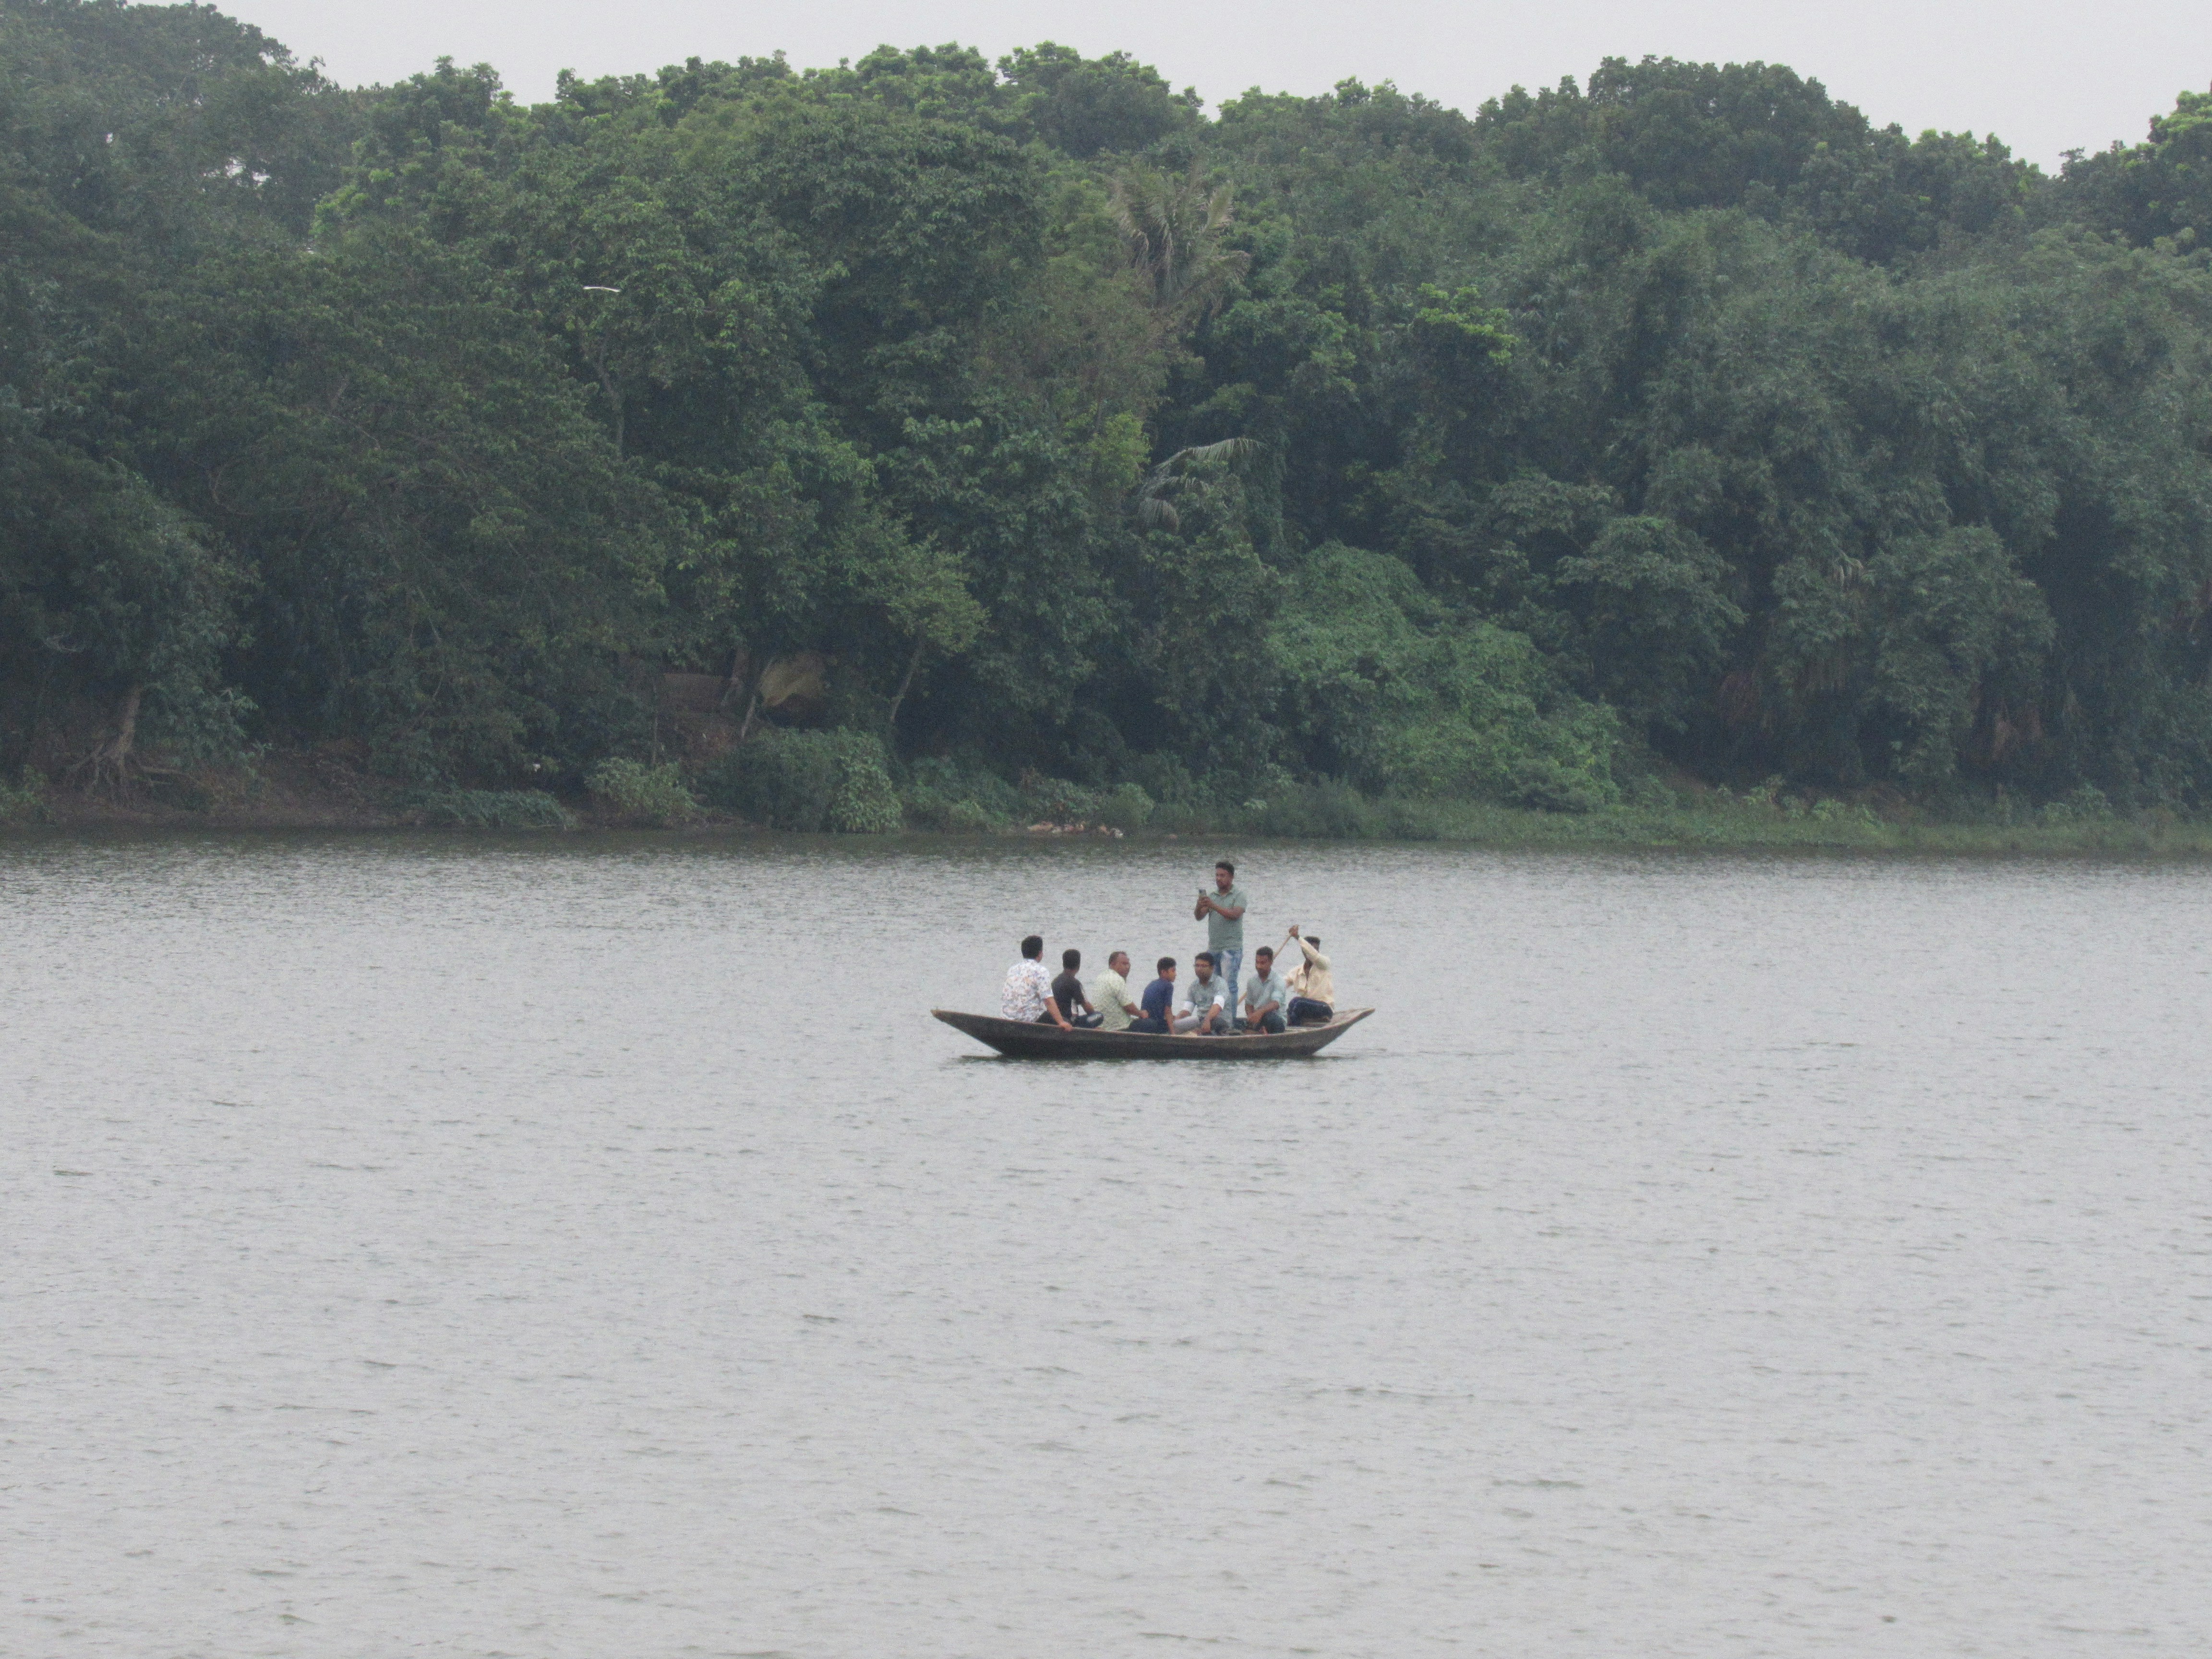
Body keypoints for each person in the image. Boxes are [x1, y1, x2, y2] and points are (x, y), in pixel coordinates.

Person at [1192, 858, 1249, 1009]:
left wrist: (1214, 906)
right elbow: (1199, 916)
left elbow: (1234, 914)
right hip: (1214, 948)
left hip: (1231, 949)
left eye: (1222, 876)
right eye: (1217, 875)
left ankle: (1231, 1021)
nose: (1219, 879)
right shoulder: (1212, 896)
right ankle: (1216, 1019)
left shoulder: (1239, 895)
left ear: (1231, 877)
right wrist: (1200, 905)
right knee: (1214, 986)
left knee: (1229, 985)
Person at [1003, 934, 1071, 1030]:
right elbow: (1048, 1000)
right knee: (1067, 1022)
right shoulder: (1040, 971)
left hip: (1008, 1018)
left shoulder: (1012, 970)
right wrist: (1061, 1022)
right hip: (1030, 1020)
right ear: (1040, 953)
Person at [1283, 924, 1334, 1025]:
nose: (1313, 952)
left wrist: (1298, 937)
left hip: (1325, 1008)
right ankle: (1287, 1028)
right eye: (1311, 949)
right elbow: (1281, 984)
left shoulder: (1324, 964)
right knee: (1293, 1004)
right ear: (1304, 951)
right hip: (1307, 1009)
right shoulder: (1297, 971)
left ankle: (1295, 1031)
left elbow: (1314, 956)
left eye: (1316, 949)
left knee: (1298, 1003)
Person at [1238, 945, 1290, 1034]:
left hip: (1276, 1020)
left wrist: (1260, 1012)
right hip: (1259, 1020)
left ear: (1271, 962)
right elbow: (1249, 1004)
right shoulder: (1252, 981)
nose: (1259, 966)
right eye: (1257, 963)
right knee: (1234, 1023)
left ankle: (1259, 1032)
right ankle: (1257, 1032)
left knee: (1269, 1017)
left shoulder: (1278, 981)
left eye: (1263, 963)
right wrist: (1251, 1017)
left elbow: (1276, 1003)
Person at [1176, 950, 1230, 1034]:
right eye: (1197, 966)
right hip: (1201, 1021)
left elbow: (1218, 1006)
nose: (1199, 969)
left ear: (1212, 968)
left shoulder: (1220, 984)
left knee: (1216, 1023)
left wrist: (1207, 1019)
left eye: (1203, 966)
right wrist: (1177, 1019)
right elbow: (1187, 1010)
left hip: (1219, 1021)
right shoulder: (1194, 986)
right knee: (1175, 1026)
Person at [1051, 948, 1105, 1028]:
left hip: (1056, 1020)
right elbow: (1087, 1008)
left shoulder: (1055, 982)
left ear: (1064, 964)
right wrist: (1094, 1013)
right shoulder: (1075, 983)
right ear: (1078, 966)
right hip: (1071, 1021)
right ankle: (1080, 1027)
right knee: (1099, 1016)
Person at [1089, 950, 1141, 1032]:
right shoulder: (1117, 979)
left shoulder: (1100, 977)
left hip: (1100, 1024)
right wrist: (1141, 1014)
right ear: (1113, 964)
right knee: (1150, 1024)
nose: (1128, 967)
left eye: (1128, 964)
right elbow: (1128, 1007)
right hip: (1118, 1027)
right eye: (1124, 964)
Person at [1130, 957, 1178, 1034]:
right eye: (1173, 971)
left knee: (1174, 1019)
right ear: (1164, 972)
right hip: (1155, 1025)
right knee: (1178, 1024)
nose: (1176, 974)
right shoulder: (1169, 986)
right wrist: (1173, 1035)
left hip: (1144, 1022)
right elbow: (1168, 1012)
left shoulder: (1152, 984)